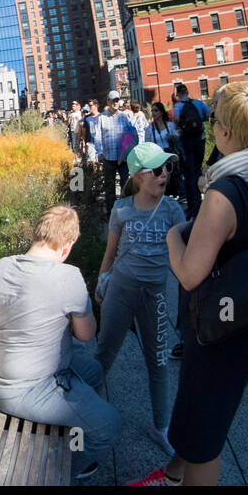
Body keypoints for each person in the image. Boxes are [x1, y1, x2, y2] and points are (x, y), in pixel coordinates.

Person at [131, 82, 248, 486]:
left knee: (205, 441)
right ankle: (174, 474)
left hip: (218, 331)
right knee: (204, 415)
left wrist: (173, 237)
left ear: (225, 131)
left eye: (214, 118)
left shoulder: (223, 193)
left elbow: (190, 274)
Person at [0, 205, 121, 479]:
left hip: (0, 380)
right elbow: (86, 334)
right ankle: (69, 470)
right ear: (66, 246)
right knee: (111, 423)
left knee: (94, 371)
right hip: (29, 389)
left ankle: (76, 426)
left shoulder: (1, 266)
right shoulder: (69, 277)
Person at [95, 143, 185, 457]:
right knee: (105, 353)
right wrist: (101, 281)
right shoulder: (122, 210)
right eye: (157, 170)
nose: (165, 175)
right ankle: (83, 415)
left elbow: (184, 256)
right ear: (138, 175)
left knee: (158, 362)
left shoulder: (174, 210)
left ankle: (161, 427)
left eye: (168, 169)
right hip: (120, 290)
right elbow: (110, 253)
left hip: (156, 298)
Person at [172, 83, 210, 218]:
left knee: (189, 174)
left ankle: (193, 207)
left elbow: (176, 119)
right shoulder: (198, 103)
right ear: (187, 92)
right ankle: (200, 202)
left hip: (187, 141)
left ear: (177, 94)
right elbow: (209, 113)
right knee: (198, 169)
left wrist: (180, 126)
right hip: (200, 138)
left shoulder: (179, 106)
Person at [145, 102, 183, 201]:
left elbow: (179, 140)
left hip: (170, 158)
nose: (153, 112)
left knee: (172, 181)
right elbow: (147, 146)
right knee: (161, 183)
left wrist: (173, 137)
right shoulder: (149, 129)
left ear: (161, 112)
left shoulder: (170, 126)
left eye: (156, 110)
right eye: (152, 110)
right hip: (157, 160)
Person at [97, 100, 124, 212]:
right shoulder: (102, 117)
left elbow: (130, 134)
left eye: (117, 100)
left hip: (122, 158)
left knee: (125, 184)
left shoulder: (124, 116)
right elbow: (98, 136)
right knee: (109, 186)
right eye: (113, 101)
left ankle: (125, 210)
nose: (115, 103)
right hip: (108, 157)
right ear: (108, 102)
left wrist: (124, 153)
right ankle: (111, 212)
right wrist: (100, 152)